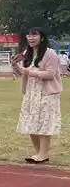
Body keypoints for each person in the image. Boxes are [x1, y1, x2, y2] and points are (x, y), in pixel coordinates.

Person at [14, 28, 63, 163]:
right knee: (30, 124)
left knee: (44, 124)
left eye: (34, 35)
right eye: (29, 35)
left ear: (42, 38)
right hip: (31, 93)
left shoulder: (50, 53)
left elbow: (50, 74)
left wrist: (29, 72)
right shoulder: (26, 53)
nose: (31, 37)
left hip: (46, 93)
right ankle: (39, 154)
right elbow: (21, 73)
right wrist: (15, 66)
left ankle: (43, 154)